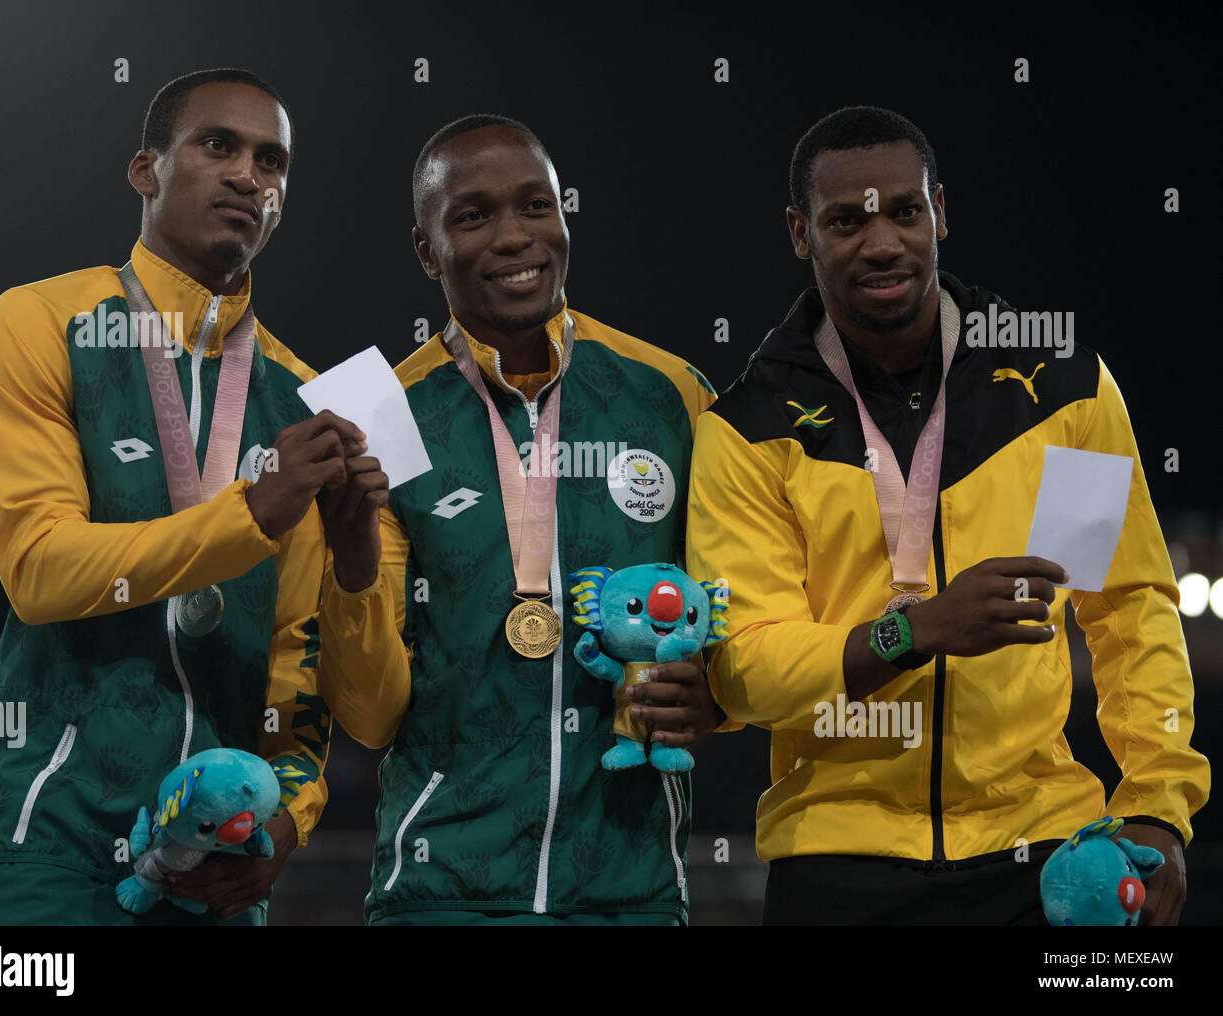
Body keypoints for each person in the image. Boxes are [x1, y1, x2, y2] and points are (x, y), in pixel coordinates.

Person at [686, 105, 1210, 925]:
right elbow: (743, 671)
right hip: (836, 863)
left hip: (1041, 853)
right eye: (846, 221)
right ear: (800, 232)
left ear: (941, 211)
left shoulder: (1056, 388)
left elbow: (1127, 610)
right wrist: (916, 631)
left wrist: (1158, 802)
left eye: (905, 210)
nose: (883, 241)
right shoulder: (751, 426)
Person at [0, 68, 355, 924]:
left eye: (273, 162)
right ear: (146, 170)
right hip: (41, 843)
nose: (250, 177)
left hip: (217, 865)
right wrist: (249, 513)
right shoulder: (34, 324)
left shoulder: (309, 401)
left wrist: (284, 828)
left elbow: (298, 662)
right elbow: (38, 569)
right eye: (219, 146)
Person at [316, 115, 729, 925]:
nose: (515, 237)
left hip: (634, 889)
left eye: (536, 206)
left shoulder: (668, 396)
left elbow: (733, 608)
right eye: (473, 216)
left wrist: (718, 699)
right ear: (427, 249)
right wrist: (353, 555)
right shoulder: (381, 414)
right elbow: (369, 716)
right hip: (438, 894)